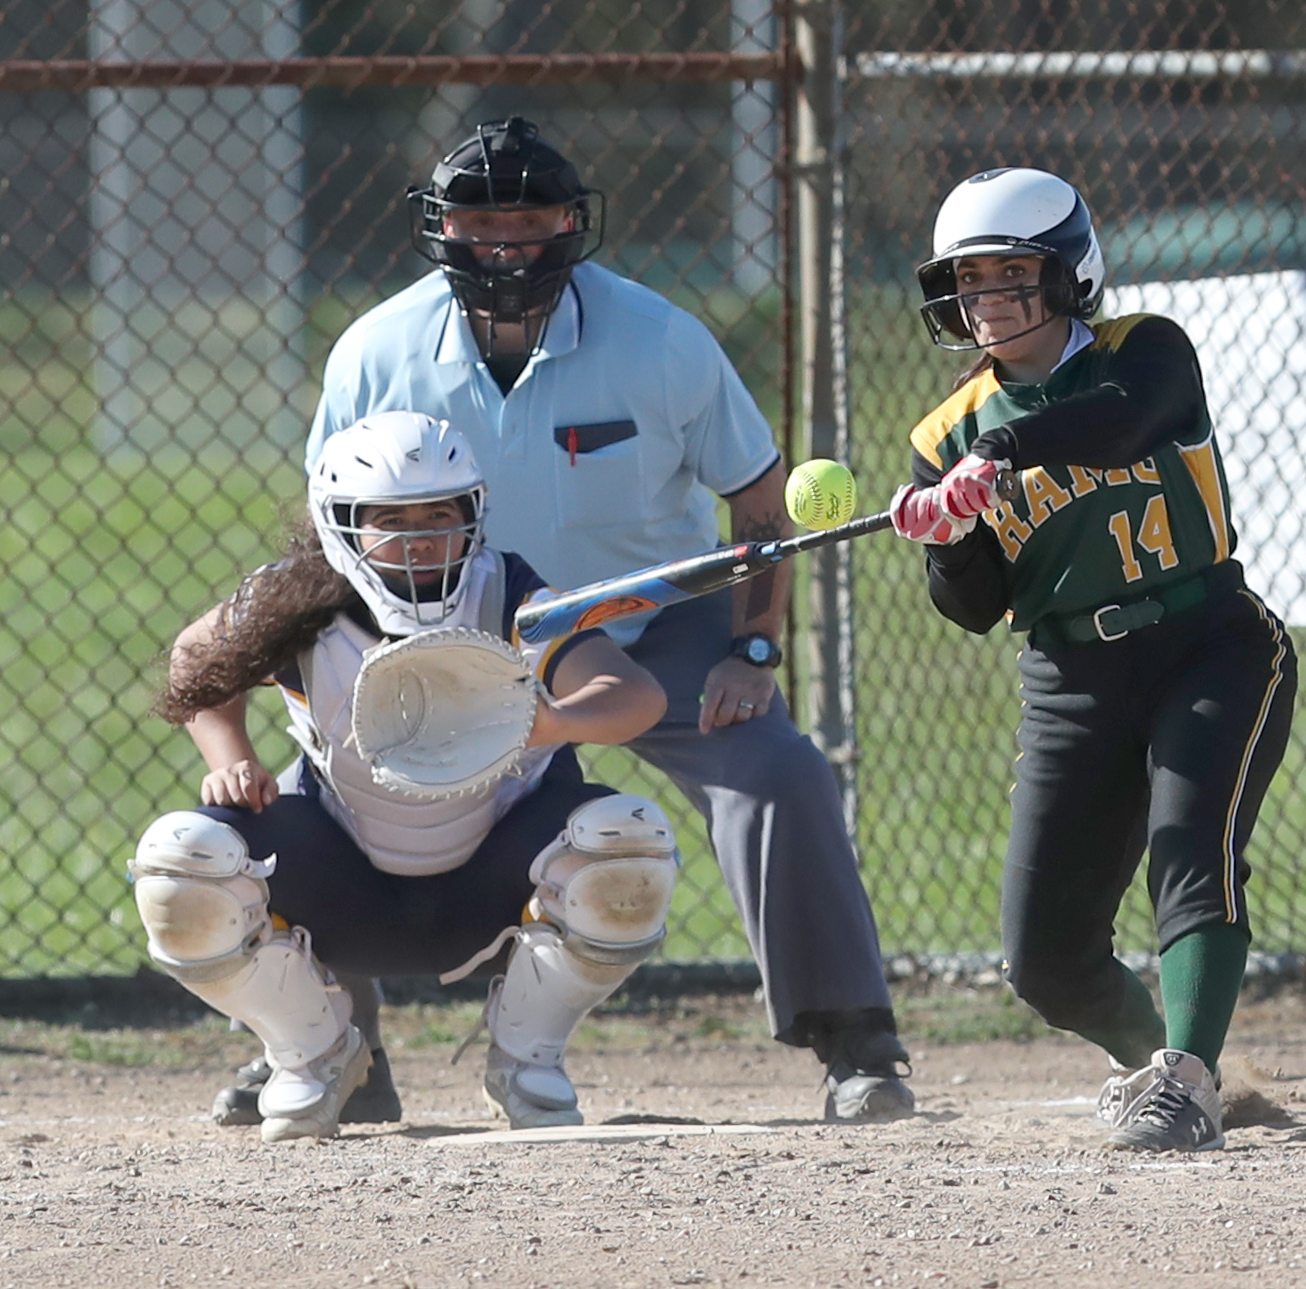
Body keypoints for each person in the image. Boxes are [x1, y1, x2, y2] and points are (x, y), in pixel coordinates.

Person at [294, 115, 913, 1123]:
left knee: (779, 769)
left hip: (647, 630)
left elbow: (758, 504)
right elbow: (329, 519)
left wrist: (752, 650)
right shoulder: (376, 350)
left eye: (531, 221)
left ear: (574, 226)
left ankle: (855, 1038)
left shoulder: (660, 340)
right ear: (438, 230)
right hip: (448, 636)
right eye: (480, 223)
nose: (505, 246)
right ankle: (327, 1048)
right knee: (325, 778)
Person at [889, 167, 1297, 1152]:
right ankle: (1173, 1058)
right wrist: (947, 534)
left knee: (1190, 845)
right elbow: (977, 607)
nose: (987, 303)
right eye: (970, 284)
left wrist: (1005, 453)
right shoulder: (944, 435)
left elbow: (1120, 419)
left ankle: (1190, 1082)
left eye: (1011, 277)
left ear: (1071, 275)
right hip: (1070, 676)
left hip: (1208, 639)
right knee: (1046, 960)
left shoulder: (1143, 350)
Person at [134, 410, 679, 1141]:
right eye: (390, 518)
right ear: (341, 525)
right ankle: (318, 1055)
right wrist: (231, 756)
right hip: (344, 881)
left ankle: (526, 1060)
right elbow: (194, 662)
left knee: (626, 838)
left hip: (493, 880)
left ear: (473, 516)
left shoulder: (513, 594)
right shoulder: (297, 597)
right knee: (181, 860)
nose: (420, 536)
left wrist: (550, 722)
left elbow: (635, 696)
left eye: (440, 514)